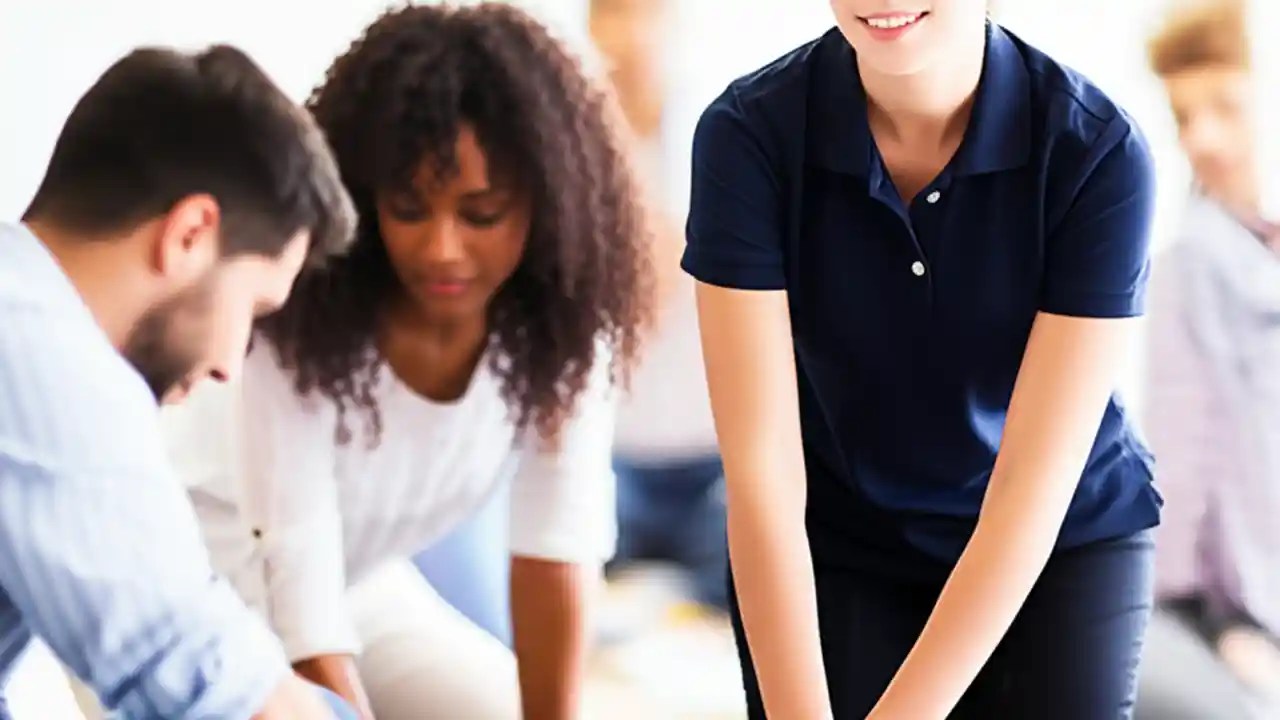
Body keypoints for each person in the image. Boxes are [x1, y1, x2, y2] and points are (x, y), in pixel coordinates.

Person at [161, 4, 650, 720]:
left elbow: (558, 549)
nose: (441, 248)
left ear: (545, 209)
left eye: (481, 214)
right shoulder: (300, 319)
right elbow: (298, 582)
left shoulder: (563, 333)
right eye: (410, 209)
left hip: (359, 590)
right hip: (189, 591)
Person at [684, 1, 1162, 718]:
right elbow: (762, 476)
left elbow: (1027, 500)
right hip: (843, 532)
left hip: (1056, 535)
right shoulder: (746, 135)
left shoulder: (1097, 151)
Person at [0, 44, 357, 719]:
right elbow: (192, 671)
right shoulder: (39, 342)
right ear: (190, 233)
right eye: (250, 310)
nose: (230, 363)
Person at [1139, 1, 1280, 717]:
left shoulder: (1262, 252)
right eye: (1185, 119)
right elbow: (1191, 456)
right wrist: (1232, 624)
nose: (1206, 138)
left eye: (1225, 106)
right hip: (1219, 613)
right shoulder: (1192, 262)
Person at [589, 0, 729, 616]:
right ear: (593, 23)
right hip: (614, 454)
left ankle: (660, 592)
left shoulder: (728, 127)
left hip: (713, 455)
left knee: (752, 561)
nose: (634, 33)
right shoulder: (569, 138)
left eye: (648, 12)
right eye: (616, 12)